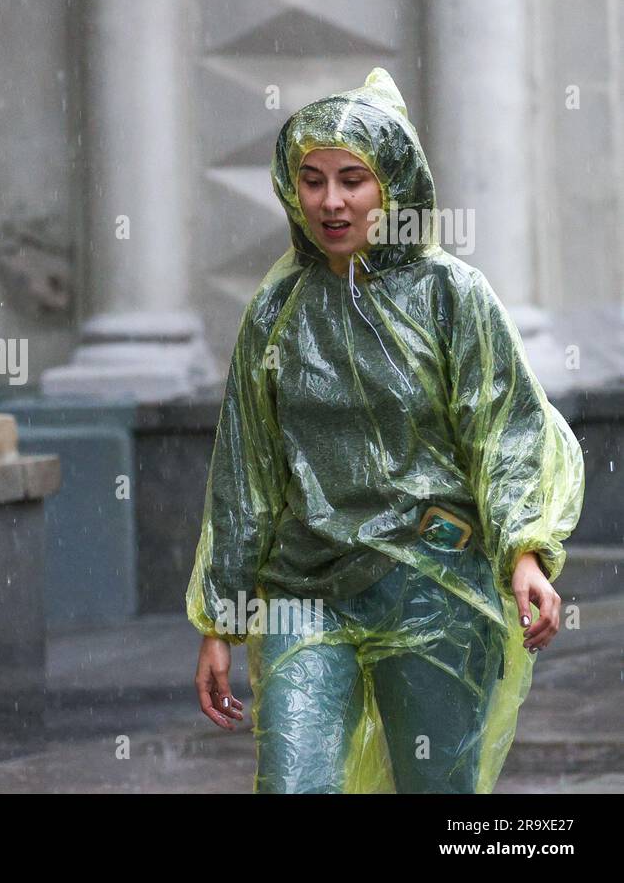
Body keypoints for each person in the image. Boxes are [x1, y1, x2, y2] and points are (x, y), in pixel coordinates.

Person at [186, 68, 584, 793]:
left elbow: (506, 432)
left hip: (432, 586)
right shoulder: (278, 309)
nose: (330, 201)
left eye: (352, 179)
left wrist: (526, 552)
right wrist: (221, 617)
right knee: (292, 782)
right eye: (311, 180)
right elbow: (246, 473)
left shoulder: (451, 296)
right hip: (304, 593)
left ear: (392, 185)